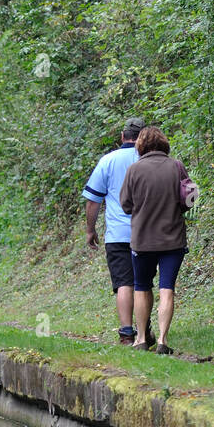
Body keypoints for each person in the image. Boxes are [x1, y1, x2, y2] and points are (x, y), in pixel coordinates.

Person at [119, 126, 189, 355]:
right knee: (166, 289)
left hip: (143, 240)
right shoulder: (176, 166)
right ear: (163, 143)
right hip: (172, 239)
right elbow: (190, 197)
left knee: (141, 287)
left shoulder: (134, 169)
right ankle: (162, 340)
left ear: (141, 145)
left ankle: (140, 339)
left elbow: (125, 205)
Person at [83, 117, 152, 346]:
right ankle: (144, 331)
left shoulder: (108, 161)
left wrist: (90, 230)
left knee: (124, 282)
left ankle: (126, 333)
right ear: (144, 137)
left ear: (123, 137)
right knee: (143, 283)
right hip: (147, 232)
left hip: (117, 234)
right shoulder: (151, 160)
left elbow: (93, 200)